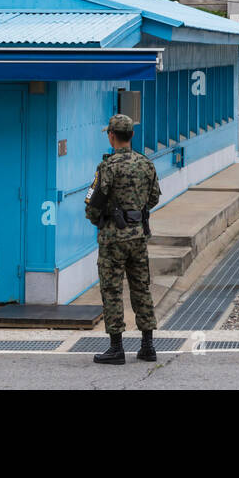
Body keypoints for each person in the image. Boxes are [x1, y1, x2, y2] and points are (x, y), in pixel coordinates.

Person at [86, 113, 161, 364]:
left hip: (113, 239)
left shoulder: (107, 167)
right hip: (138, 235)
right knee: (141, 287)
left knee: (112, 289)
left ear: (111, 136)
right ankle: (148, 345)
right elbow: (154, 198)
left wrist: (98, 218)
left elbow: (93, 204)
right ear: (132, 135)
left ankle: (116, 348)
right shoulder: (146, 164)